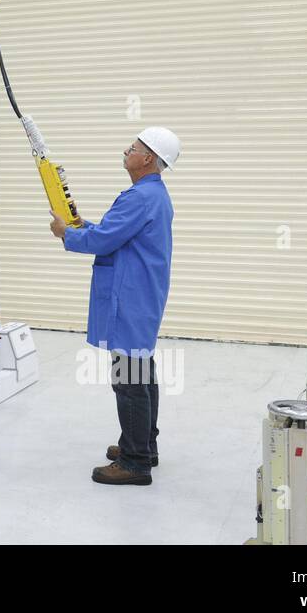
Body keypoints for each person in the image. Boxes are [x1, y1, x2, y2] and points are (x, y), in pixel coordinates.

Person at [51, 127, 179, 487]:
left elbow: (105, 239)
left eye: (133, 148)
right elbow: (115, 232)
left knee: (129, 379)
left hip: (131, 295)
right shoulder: (151, 195)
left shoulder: (140, 197)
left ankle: (135, 463)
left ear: (149, 158)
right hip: (141, 294)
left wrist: (67, 233)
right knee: (142, 371)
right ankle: (143, 445)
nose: (127, 151)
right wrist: (80, 226)